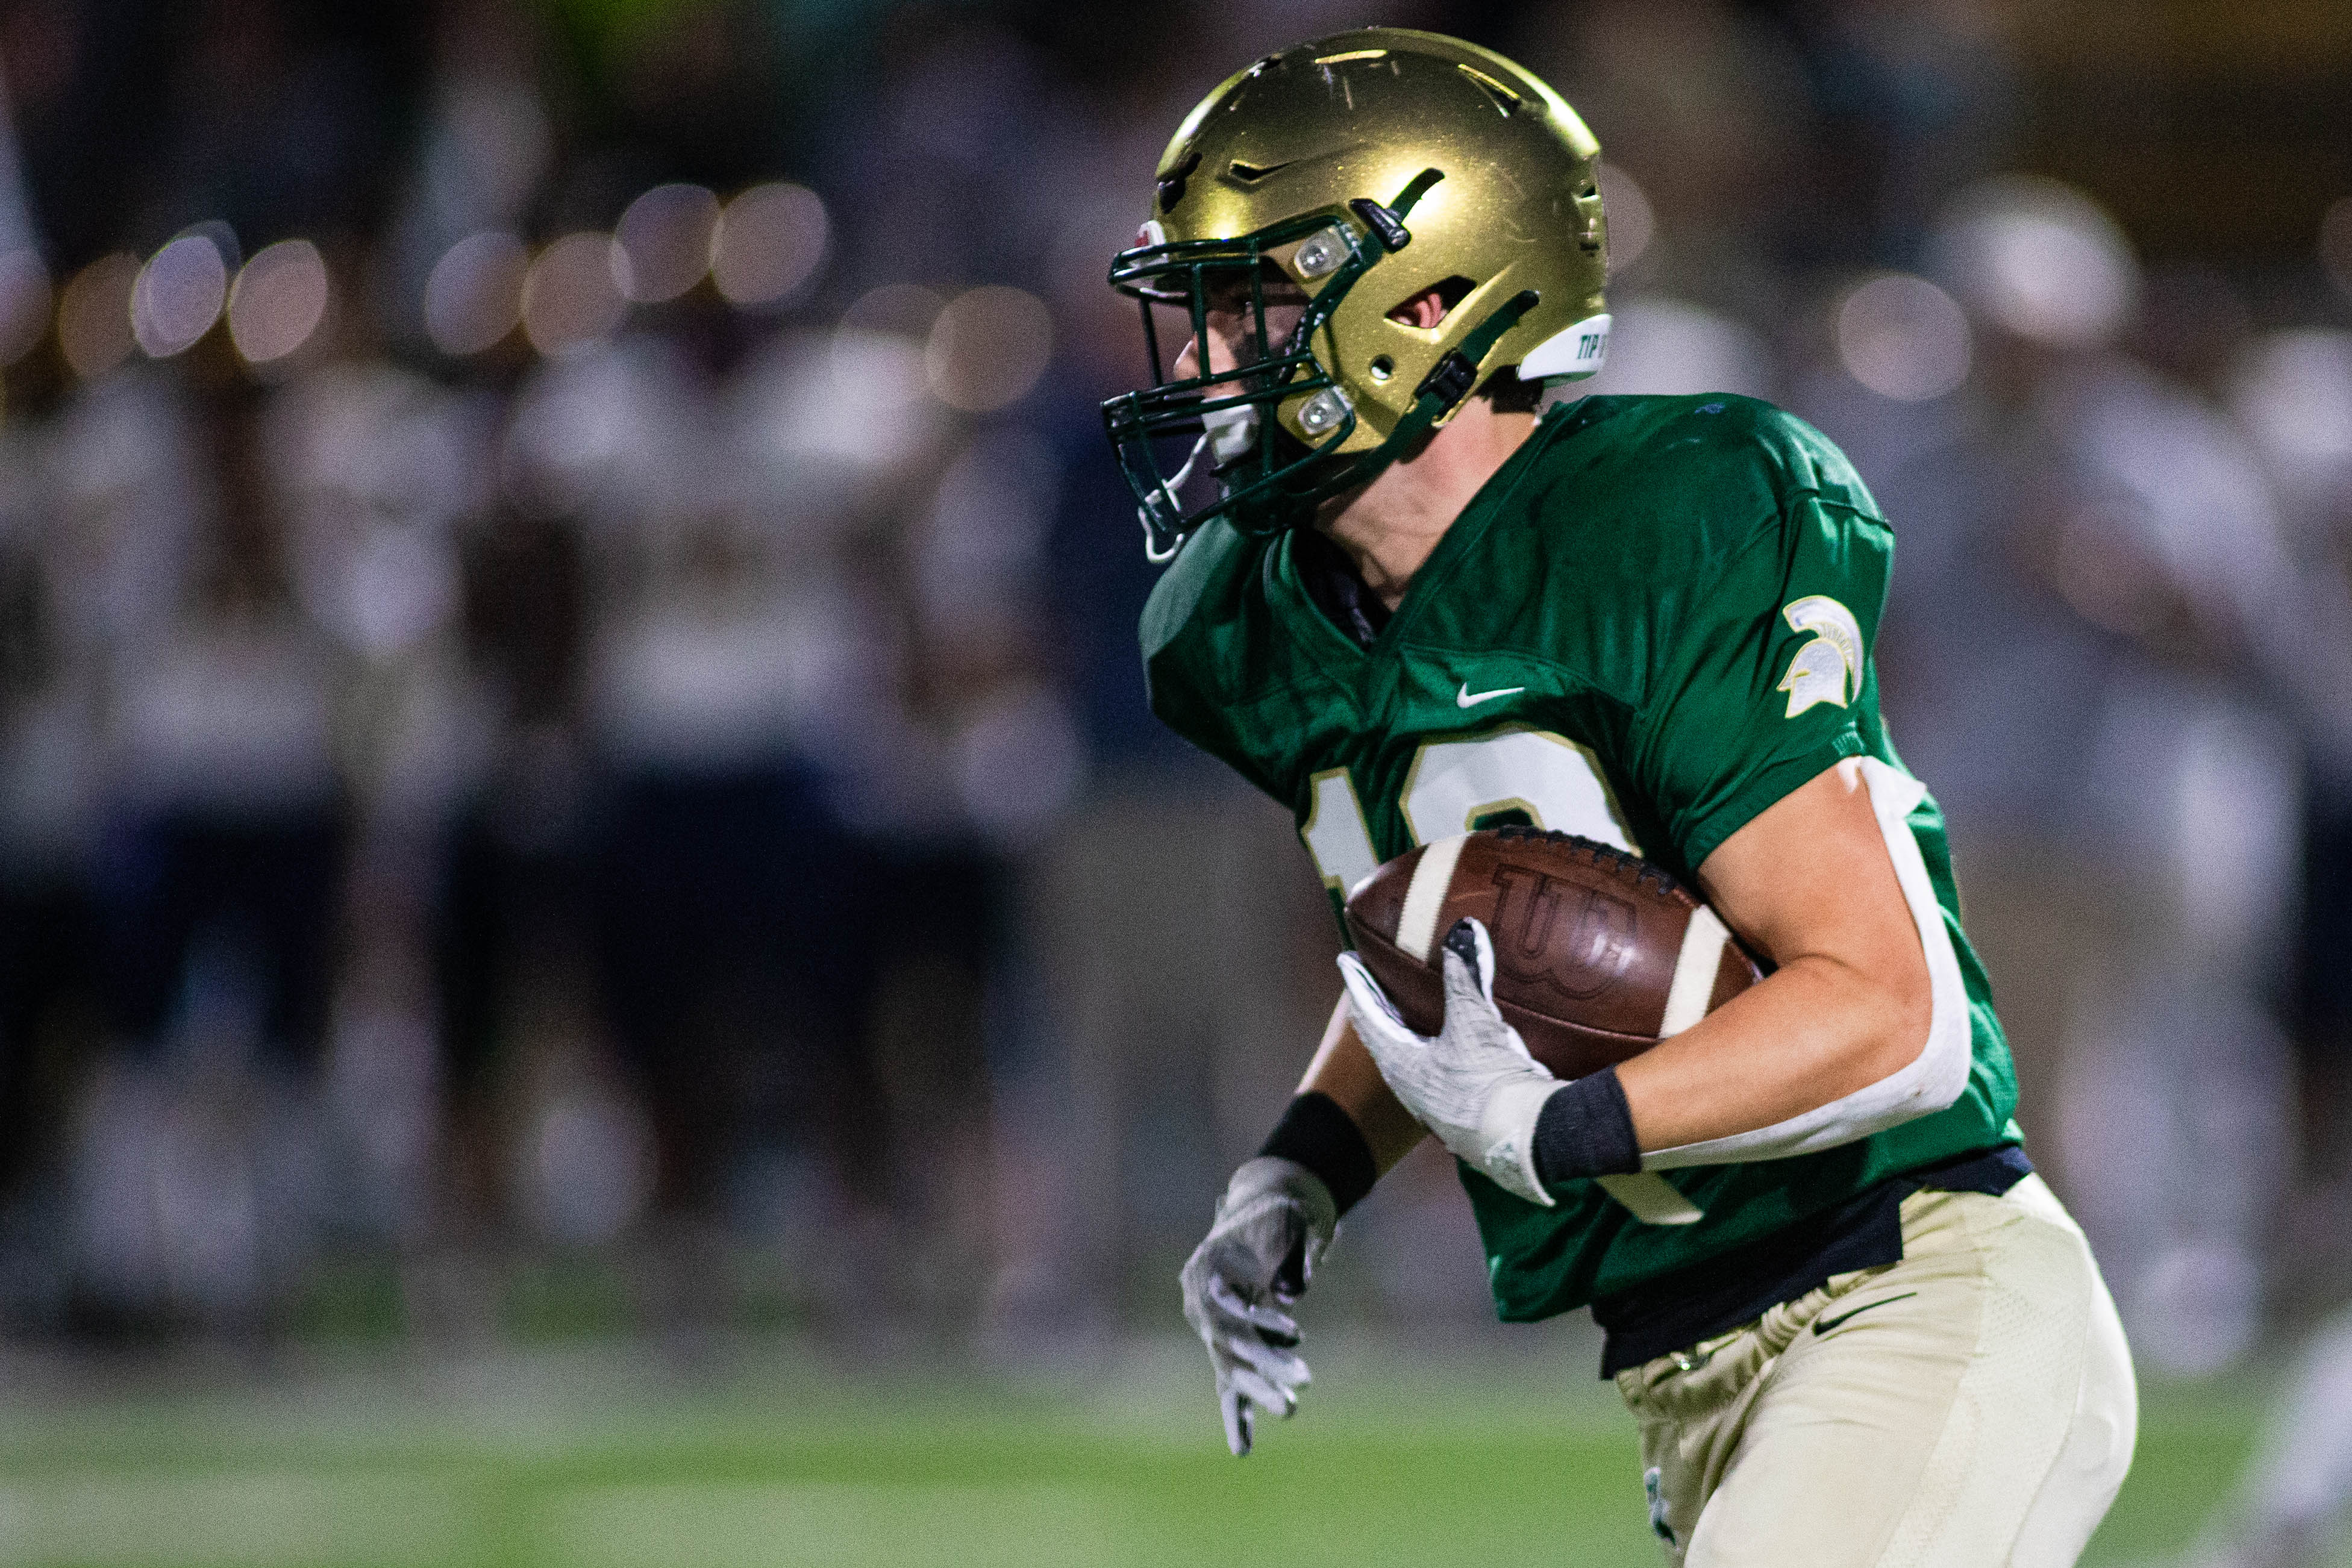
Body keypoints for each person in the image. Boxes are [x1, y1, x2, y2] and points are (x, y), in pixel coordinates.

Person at [1104, 28, 2136, 1565]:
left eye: (1251, 305)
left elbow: (1891, 1017)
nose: (1199, 361)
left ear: (1429, 304)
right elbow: (1457, 930)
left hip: (1904, 1293)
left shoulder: (1668, 519)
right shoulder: (1241, 619)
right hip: (1679, 1367)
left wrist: (1559, 1126)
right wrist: (1301, 1172)